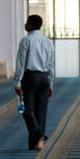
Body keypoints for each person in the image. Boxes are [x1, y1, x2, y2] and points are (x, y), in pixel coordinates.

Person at [13, 14, 55, 150]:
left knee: (27, 110)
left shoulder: (26, 41)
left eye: (26, 22)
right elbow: (51, 65)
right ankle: (36, 143)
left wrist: (17, 82)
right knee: (41, 111)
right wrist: (51, 84)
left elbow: (21, 63)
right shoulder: (48, 42)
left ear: (31, 25)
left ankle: (38, 135)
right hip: (44, 78)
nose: (25, 25)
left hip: (30, 77)